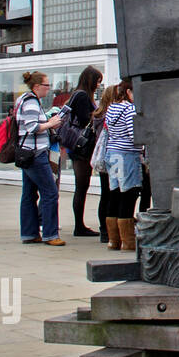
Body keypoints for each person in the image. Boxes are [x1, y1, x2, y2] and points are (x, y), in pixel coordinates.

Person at [16, 72, 67, 246]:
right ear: (36, 86)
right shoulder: (31, 101)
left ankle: (29, 233)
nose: (48, 89)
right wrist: (51, 123)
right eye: (46, 85)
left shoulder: (23, 99)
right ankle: (50, 234)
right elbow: (32, 127)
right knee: (50, 192)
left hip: (27, 153)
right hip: (36, 153)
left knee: (29, 194)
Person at [62, 66, 103, 237]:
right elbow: (86, 119)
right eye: (98, 81)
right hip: (81, 147)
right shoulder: (82, 96)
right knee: (82, 185)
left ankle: (79, 225)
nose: (99, 85)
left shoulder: (79, 94)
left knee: (82, 185)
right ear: (91, 80)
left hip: (78, 146)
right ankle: (79, 226)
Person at [104, 79, 142, 252]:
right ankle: (128, 241)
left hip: (112, 153)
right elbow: (134, 134)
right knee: (129, 193)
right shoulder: (129, 109)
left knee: (115, 193)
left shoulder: (112, 107)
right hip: (127, 154)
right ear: (128, 92)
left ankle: (113, 240)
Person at [92, 85, 119, 247]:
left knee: (105, 194)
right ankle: (108, 231)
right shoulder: (109, 115)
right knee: (112, 194)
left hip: (102, 159)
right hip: (112, 158)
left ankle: (105, 230)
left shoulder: (98, 115)